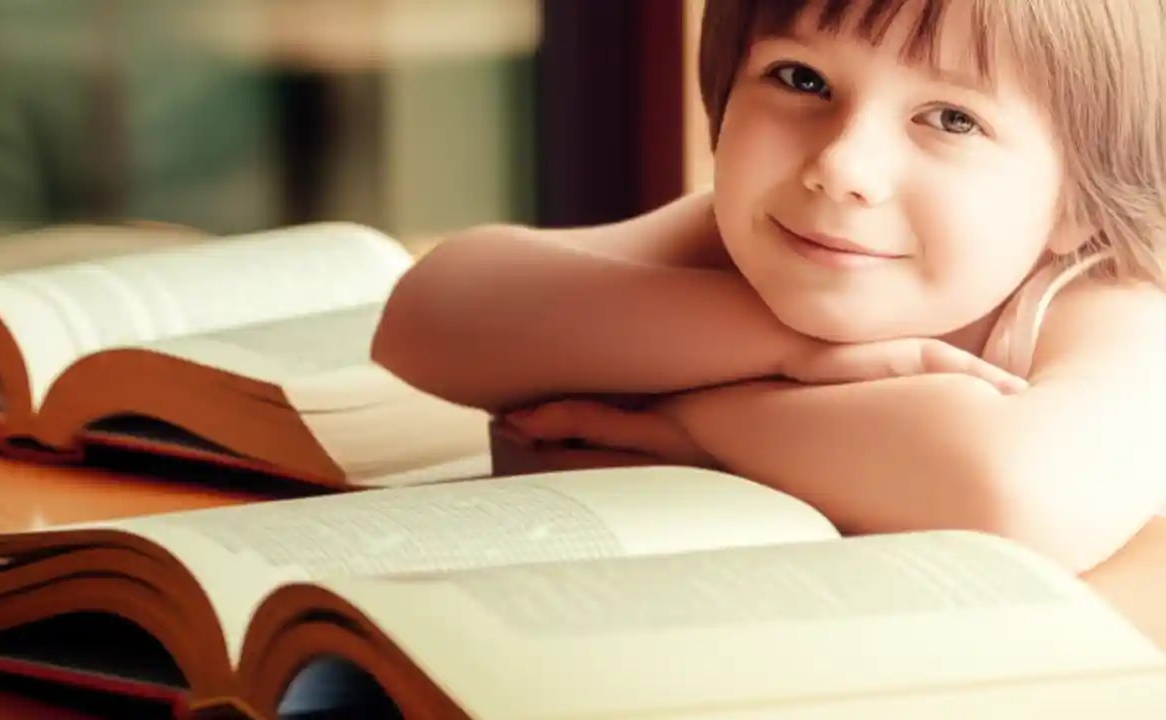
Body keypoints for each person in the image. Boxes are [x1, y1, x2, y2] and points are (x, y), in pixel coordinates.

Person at [370, 0, 1166, 574]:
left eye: (952, 119)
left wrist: (695, 424)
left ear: (1079, 201)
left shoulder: (1110, 301)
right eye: (801, 78)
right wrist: (789, 347)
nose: (842, 167)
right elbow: (430, 316)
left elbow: (1014, 492)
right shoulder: (771, 239)